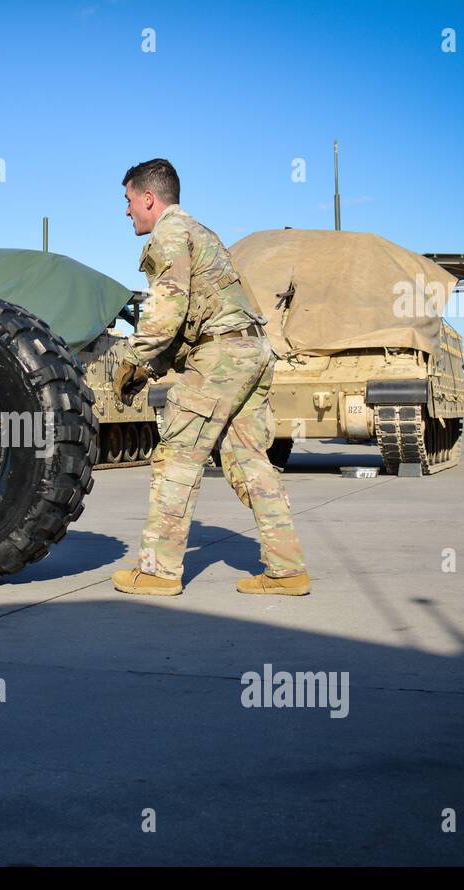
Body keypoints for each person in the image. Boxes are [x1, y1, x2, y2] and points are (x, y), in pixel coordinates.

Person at [109, 159, 310, 597]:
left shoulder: (170, 233)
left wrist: (135, 360)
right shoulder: (202, 233)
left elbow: (168, 314)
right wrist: (154, 367)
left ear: (148, 198)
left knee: (177, 454)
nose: (126, 211)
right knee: (251, 461)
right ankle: (287, 570)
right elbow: (196, 318)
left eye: (128, 201)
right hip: (250, 349)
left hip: (221, 356)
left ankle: (159, 572)